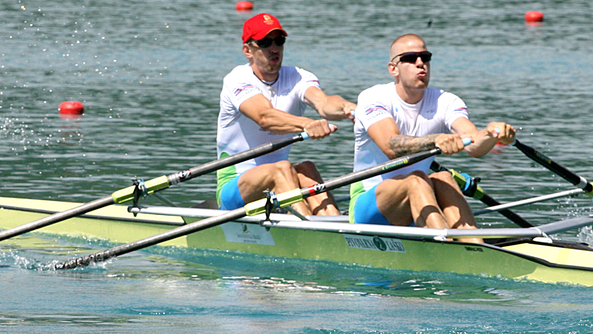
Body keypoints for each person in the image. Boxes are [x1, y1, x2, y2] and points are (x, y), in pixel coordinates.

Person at [349, 34, 516, 231]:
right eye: (410, 58)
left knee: (444, 178)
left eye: (425, 57)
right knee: (417, 179)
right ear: (393, 69)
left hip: (419, 201)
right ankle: (444, 246)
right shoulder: (373, 97)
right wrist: (435, 139)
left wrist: (490, 133)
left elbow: (474, 146)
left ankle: (472, 245)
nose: (420, 63)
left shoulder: (446, 101)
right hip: (369, 203)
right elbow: (391, 146)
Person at [216, 13, 356, 217]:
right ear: (248, 50)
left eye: (279, 41)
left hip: (280, 181)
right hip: (235, 186)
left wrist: (351, 108)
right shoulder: (237, 79)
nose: (274, 48)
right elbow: (265, 117)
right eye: (265, 42)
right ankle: (305, 227)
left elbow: (324, 103)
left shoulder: (298, 77)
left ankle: (336, 228)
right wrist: (307, 124)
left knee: (306, 169)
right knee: (281, 168)